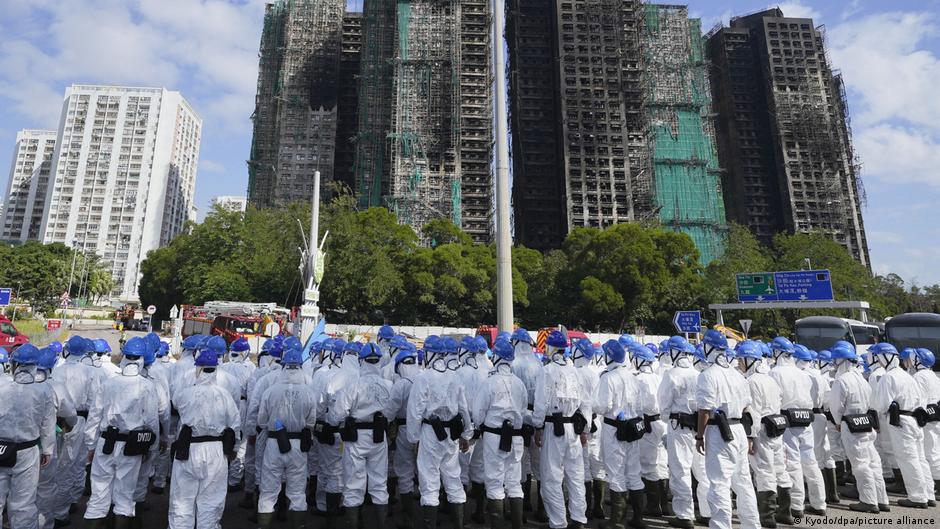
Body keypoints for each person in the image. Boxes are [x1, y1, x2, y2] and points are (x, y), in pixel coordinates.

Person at [83, 336, 161, 528]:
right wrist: (152, 448)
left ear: (124, 357)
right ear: (143, 359)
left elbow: (94, 416)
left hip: (105, 443)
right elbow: (152, 421)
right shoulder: (147, 386)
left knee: (98, 496)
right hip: (131, 447)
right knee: (125, 496)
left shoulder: (108, 383)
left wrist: (91, 446)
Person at [695, 330, 760, 529]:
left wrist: (699, 436)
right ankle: (752, 525)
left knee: (719, 484)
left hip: (719, 431)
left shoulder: (708, 375)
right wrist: (750, 436)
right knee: (743, 483)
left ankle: (722, 526)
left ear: (709, 348)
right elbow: (747, 408)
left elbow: (704, 411)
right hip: (738, 429)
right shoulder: (738, 375)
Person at [169, 347, 240, 529]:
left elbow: (176, 404)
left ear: (197, 369)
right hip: (216, 452)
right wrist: (233, 449)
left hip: (189, 449)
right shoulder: (224, 395)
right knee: (210, 503)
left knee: (182, 504)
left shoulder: (185, 393)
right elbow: (235, 425)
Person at [407, 336, 473, 529]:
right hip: (451, 434)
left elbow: (415, 411)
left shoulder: (423, 377)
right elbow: (463, 408)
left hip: (430, 433)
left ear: (428, 353)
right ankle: (458, 523)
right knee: (453, 477)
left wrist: (413, 438)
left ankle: (430, 524)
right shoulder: (455, 376)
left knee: (429, 480)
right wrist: (466, 434)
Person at [331, 342, 395, 528]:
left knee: (353, 485)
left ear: (362, 361)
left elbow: (338, 412)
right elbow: (391, 411)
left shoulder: (354, 384)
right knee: (379, 484)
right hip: (378, 437)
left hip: (356, 437)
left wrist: (336, 423)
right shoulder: (388, 385)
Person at [531, 331, 590, 529]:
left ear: (552, 348)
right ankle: (579, 518)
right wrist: (584, 430)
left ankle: (558, 522)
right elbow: (585, 403)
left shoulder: (546, 371)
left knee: (552, 477)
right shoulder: (574, 371)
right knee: (575, 475)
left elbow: (540, 404)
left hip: (552, 427)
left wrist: (537, 427)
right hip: (573, 428)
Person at [471, 338, 529, 529]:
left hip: (494, 436)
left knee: (495, 481)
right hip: (516, 436)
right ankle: (517, 525)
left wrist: (480, 426)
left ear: (496, 357)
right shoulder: (519, 383)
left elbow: (478, 413)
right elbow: (522, 410)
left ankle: (497, 524)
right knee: (514, 481)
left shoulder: (490, 382)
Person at [826, 342, 889, 513]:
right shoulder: (862, 379)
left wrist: (839, 422)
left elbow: (836, 406)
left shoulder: (841, 380)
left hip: (850, 424)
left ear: (841, 360)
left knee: (860, 464)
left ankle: (868, 501)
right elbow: (871, 402)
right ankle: (882, 499)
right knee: (874, 462)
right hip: (866, 423)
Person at [768, 337, 827, 517]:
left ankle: (796, 505)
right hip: (805, 420)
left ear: (777, 352)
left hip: (788, 421)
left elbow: (774, 399)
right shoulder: (803, 373)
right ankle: (819, 503)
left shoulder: (775, 373)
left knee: (792, 464)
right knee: (811, 463)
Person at [594, 339, 649, 529]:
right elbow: (641, 406)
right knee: (634, 472)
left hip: (614, 429)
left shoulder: (608, 378)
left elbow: (602, 406)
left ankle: (617, 521)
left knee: (616, 472)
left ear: (609, 356)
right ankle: (638, 517)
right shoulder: (633, 377)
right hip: (633, 429)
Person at [736, 340, 791, 528]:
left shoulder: (751, 381)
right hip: (776, 428)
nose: (738, 363)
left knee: (764, 471)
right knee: (780, 469)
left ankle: (767, 516)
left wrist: (750, 437)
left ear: (749, 359)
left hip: (761, 430)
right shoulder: (770, 379)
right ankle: (785, 511)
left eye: (741, 360)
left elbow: (753, 412)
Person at [871, 342, 933, 508]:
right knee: (920, 459)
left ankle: (918, 498)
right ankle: (929, 494)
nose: (878, 361)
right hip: (915, 420)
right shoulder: (907, 375)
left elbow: (882, 405)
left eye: (879, 357)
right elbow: (921, 400)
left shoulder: (888, 377)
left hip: (901, 423)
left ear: (885, 357)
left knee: (908, 459)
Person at [1, 345, 56, 529]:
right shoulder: (44, 391)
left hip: (1, 447)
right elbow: (48, 425)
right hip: (27, 451)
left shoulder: (2, 385)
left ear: (14, 364)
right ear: (35, 366)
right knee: (23, 504)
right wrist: (47, 450)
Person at [658, 336, 710, 529]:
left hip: (678, 426)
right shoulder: (698, 373)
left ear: (674, 352)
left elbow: (663, 403)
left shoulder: (672, 374)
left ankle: (685, 515)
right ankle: (707, 511)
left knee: (680, 471)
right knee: (702, 471)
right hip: (698, 427)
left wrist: (667, 420)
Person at [631, 344, 670, 517]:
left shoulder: (639, 379)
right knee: (661, 461)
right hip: (660, 421)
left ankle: (653, 505)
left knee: (648, 464)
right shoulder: (657, 377)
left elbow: (638, 404)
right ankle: (663, 503)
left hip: (647, 423)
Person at [509, 328, 544, 520]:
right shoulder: (539, 364)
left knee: (521, 466)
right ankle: (541, 509)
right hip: (538, 419)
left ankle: (521, 510)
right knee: (540, 467)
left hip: (520, 419)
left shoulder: (513, 364)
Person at [457, 336, 491, 523]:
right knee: (480, 469)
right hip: (486, 427)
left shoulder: (463, 372)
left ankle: (460, 516)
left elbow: (460, 404)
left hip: (466, 426)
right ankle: (480, 511)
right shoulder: (490, 369)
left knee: (461, 469)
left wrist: (465, 431)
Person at [572, 339, 607, 521]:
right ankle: (598, 506)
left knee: (583, 467)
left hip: (580, 425)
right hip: (596, 422)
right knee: (597, 465)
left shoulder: (574, 374)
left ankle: (584, 507)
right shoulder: (595, 374)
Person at [389, 344, 421, 529]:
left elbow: (390, 410)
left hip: (403, 430)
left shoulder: (401, 384)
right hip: (424, 431)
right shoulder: (424, 378)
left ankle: (408, 519)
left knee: (404, 472)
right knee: (426, 473)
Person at [220, 336, 255, 492]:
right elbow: (252, 392)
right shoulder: (250, 369)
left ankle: (220, 475)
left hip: (221, 405)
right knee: (239, 444)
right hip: (241, 405)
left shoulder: (223, 367)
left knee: (221, 440)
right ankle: (234, 479)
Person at [908, 348, 940, 501]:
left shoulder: (919, 376)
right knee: (935, 451)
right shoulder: (933, 375)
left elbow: (918, 399)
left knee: (929, 454)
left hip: (925, 417)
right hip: (935, 416)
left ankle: (936, 486)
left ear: (917, 361)